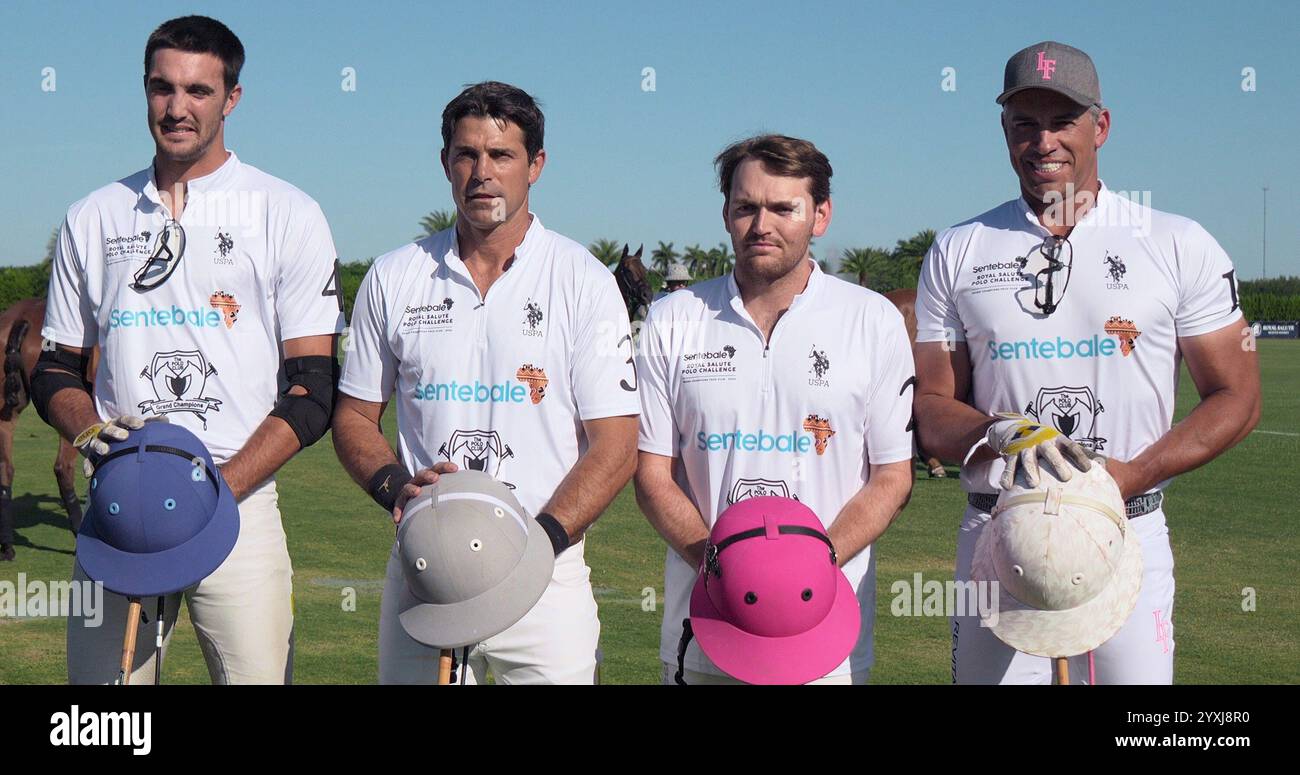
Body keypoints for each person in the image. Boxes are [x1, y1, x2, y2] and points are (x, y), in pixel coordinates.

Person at [913, 41, 1261, 684]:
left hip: (1124, 532)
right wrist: (995, 431)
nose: (1042, 140)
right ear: (1004, 130)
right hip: (999, 537)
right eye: (1024, 122)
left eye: (1062, 119)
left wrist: (1127, 476)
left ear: (1100, 125)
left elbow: (1236, 396)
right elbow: (931, 409)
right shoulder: (958, 249)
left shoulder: (1176, 243)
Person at [36, 15, 344, 684]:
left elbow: (314, 388)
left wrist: (210, 494)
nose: (178, 108)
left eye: (199, 91)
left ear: (232, 97)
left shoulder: (286, 211)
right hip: (115, 513)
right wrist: (90, 431)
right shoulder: (93, 216)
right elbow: (55, 365)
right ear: (144, 90)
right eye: (162, 88)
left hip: (239, 508)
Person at [333, 81, 640, 684]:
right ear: (445, 163)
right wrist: (397, 488)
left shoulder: (583, 280)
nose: (482, 172)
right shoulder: (396, 276)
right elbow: (353, 416)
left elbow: (616, 442)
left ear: (536, 166)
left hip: (547, 572)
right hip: (428, 566)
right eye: (466, 154)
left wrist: (542, 542)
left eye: (501, 155)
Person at [635, 134, 915, 684]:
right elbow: (652, 475)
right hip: (703, 633)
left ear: (821, 214)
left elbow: (892, 478)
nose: (762, 224)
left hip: (826, 638)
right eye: (746, 207)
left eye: (783, 208)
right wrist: (724, 569)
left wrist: (802, 572)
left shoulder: (872, 320)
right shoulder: (673, 318)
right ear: (726, 214)